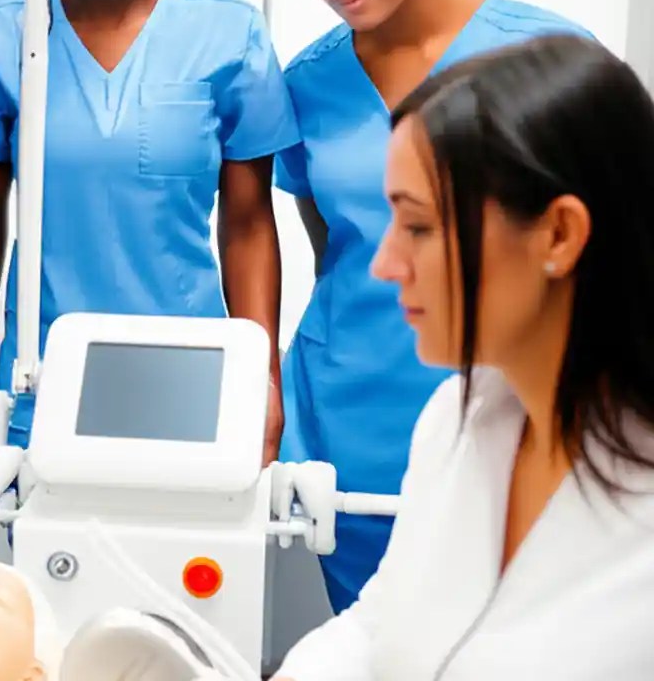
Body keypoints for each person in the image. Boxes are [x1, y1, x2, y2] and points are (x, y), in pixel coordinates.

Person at [275, 34, 654, 679]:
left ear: (558, 234)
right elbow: (377, 628)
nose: (385, 264)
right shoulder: (457, 417)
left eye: (418, 226)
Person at [275, 0, 592, 612]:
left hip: (507, 415)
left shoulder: (548, 63)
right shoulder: (307, 84)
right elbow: (341, 250)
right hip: (347, 427)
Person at [0, 0, 294, 513]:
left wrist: (264, 385)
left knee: (183, 593)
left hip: (195, 392)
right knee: (57, 583)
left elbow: (249, 224)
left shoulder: (229, 33)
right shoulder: (0, 34)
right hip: (49, 392)